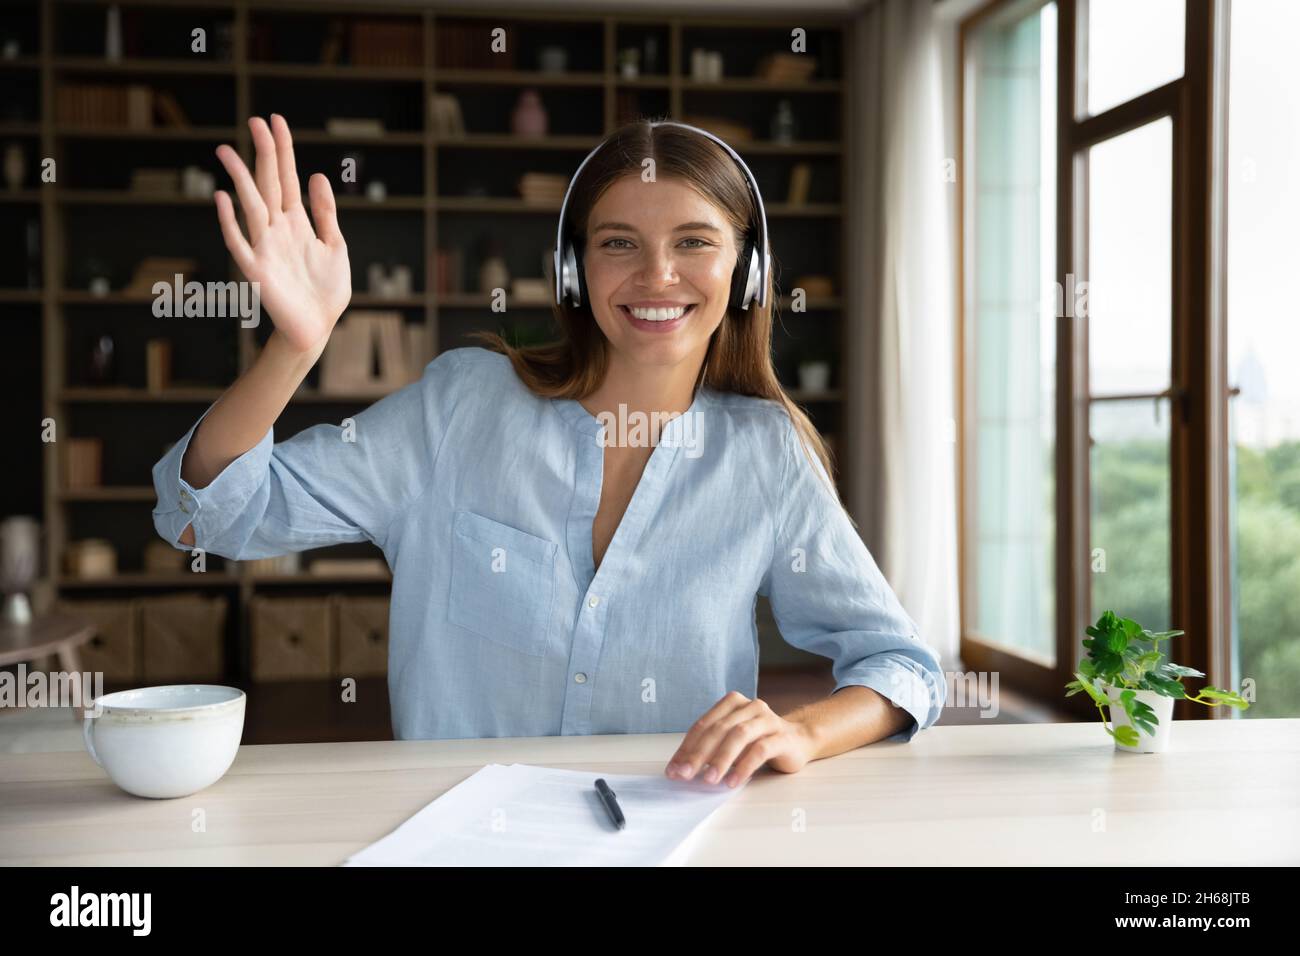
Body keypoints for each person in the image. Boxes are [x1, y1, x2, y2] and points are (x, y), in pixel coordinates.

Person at [150, 114, 946, 790]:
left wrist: (800, 733)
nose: (657, 274)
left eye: (694, 241)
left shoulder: (764, 454)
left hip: (664, 840)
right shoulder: (464, 406)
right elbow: (214, 519)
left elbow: (900, 664)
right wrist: (293, 349)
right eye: (619, 242)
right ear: (575, 268)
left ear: (746, 271)